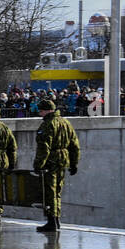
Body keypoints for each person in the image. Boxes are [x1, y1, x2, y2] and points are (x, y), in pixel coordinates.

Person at [33, 97, 79, 233]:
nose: (40, 113)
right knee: (57, 191)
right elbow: (74, 145)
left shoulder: (48, 124)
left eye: (40, 111)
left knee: (49, 191)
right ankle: (57, 219)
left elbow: (44, 147)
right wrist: (74, 163)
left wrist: (38, 164)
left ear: (45, 111)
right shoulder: (66, 123)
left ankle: (51, 220)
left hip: (51, 160)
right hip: (63, 159)